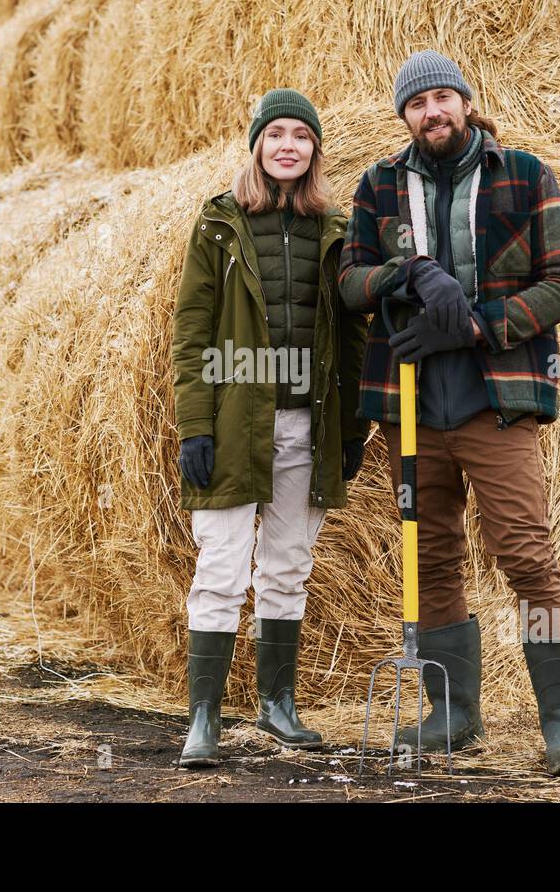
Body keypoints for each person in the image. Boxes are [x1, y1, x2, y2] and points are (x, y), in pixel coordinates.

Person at [336, 51, 560, 776]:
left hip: (496, 400)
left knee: (525, 551)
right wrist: (405, 272)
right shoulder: (379, 185)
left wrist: (478, 324)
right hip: (411, 407)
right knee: (431, 556)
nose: (432, 113)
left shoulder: (523, 174)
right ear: (405, 117)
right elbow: (349, 281)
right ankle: (452, 710)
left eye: (443, 98)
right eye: (418, 105)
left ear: (466, 101)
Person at [170, 88, 370, 768]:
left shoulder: (335, 229)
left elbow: (352, 337)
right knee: (221, 568)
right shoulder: (219, 225)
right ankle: (204, 718)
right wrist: (195, 425)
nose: (288, 145)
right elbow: (192, 333)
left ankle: (277, 706)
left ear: (315, 150)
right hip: (234, 423)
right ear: (257, 144)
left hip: (307, 426)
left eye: (301, 136)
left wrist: (351, 430)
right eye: (276, 133)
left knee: (288, 566)